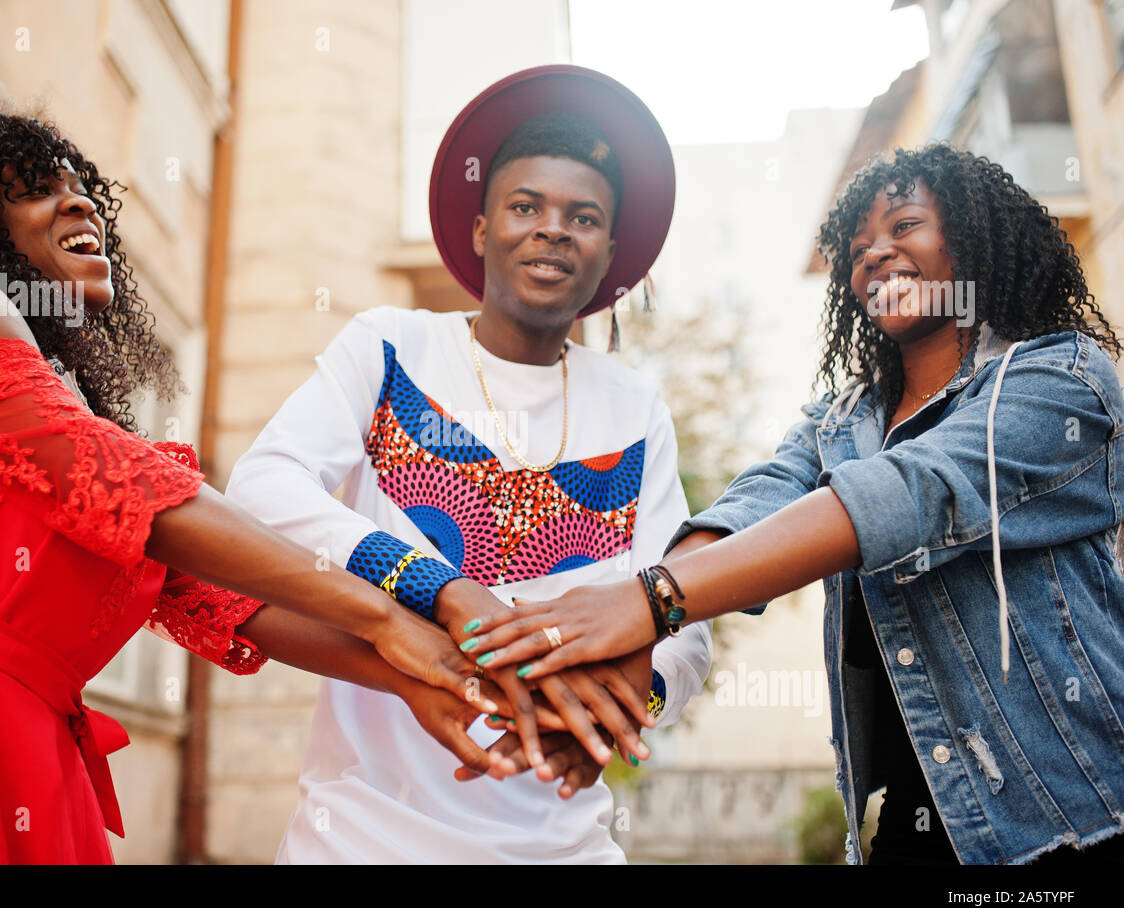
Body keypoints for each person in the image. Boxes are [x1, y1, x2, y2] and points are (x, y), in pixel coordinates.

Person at [0, 107, 507, 864]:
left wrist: (426, 673)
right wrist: (394, 615)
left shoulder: (70, 417)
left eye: (83, 188)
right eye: (36, 189)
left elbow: (244, 603)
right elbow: (137, 492)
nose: (81, 203)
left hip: (35, 761)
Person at [466, 143, 1124, 865]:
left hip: (1076, 817)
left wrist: (650, 600)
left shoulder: (1059, 377)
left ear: (973, 239)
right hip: (918, 824)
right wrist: (637, 641)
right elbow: (753, 505)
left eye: (904, 226)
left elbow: (905, 493)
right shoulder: (841, 421)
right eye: (859, 246)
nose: (875, 254)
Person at [226, 65, 713, 864]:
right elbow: (263, 487)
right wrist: (443, 590)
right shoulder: (391, 346)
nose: (553, 229)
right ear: (483, 230)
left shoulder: (633, 405)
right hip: (359, 834)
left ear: (610, 252)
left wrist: (618, 710)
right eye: (525, 207)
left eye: (582, 216)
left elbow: (681, 619)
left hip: (564, 839)